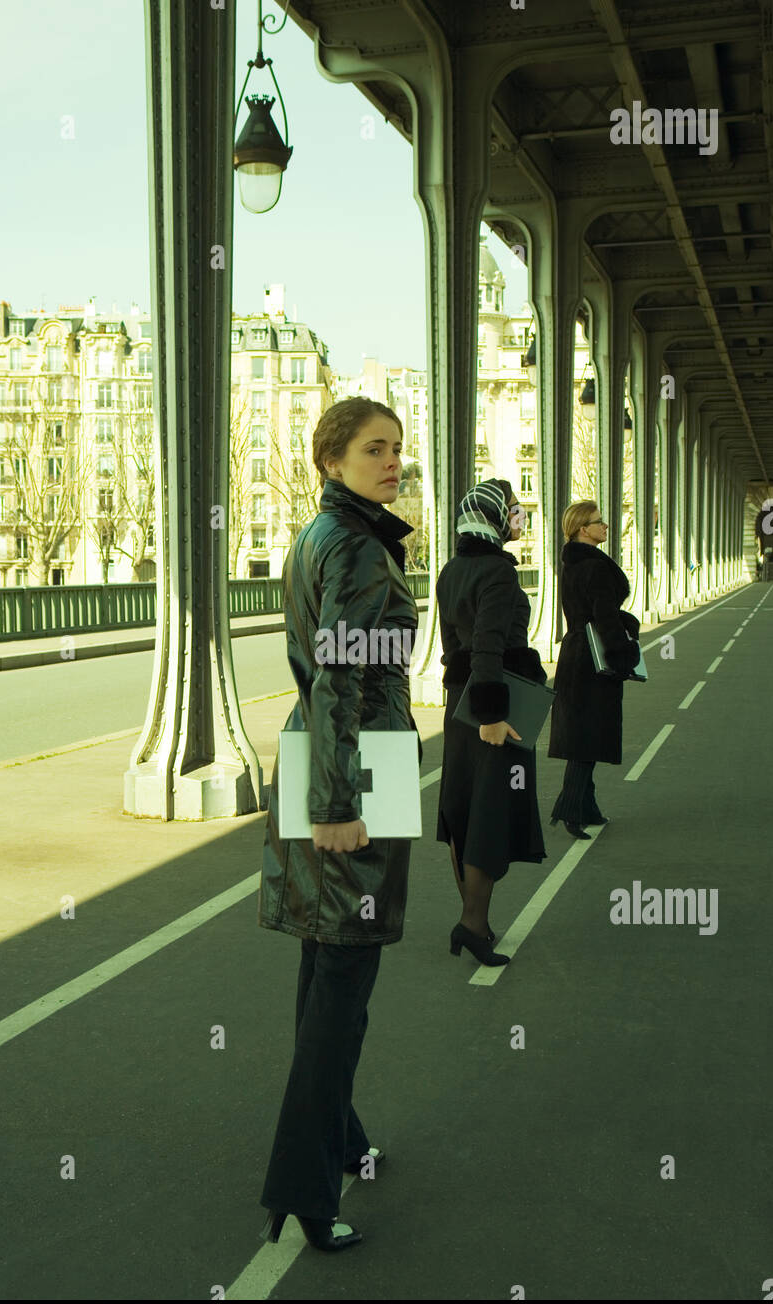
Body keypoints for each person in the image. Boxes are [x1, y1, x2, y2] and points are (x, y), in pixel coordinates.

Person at [257, 397, 419, 1255]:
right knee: (342, 993)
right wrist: (337, 808)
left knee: (325, 965)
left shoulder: (319, 535)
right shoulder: (357, 548)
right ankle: (304, 1191)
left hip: (324, 760)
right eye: (373, 450)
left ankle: (344, 1139)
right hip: (356, 771)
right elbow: (340, 684)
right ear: (331, 460)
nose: (392, 463)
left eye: (396, 449)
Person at [435, 479, 548, 967]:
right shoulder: (499, 574)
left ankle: (471, 920)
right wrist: (494, 716)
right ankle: (473, 925)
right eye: (514, 511)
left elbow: (454, 644)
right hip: (488, 709)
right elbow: (486, 645)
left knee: (464, 812)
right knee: (488, 815)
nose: (520, 519)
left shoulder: (451, 569)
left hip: (459, 705)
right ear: (494, 517)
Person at [547, 501, 641, 838]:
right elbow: (605, 619)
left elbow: (582, 614)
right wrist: (624, 654)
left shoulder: (570, 566)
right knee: (588, 739)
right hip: (595, 659)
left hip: (574, 653)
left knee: (583, 735)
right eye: (600, 522)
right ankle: (570, 809)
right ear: (583, 529)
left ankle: (587, 806)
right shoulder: (597, 568)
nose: (606, 527)